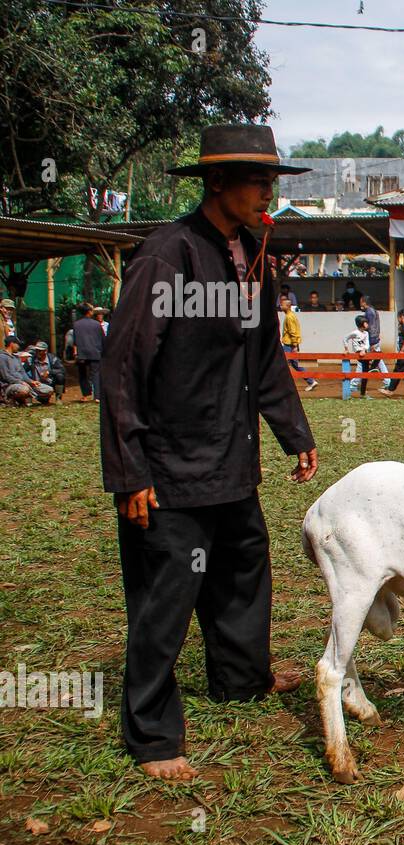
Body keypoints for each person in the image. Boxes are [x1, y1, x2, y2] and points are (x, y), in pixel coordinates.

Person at [99, 123, 318, 781]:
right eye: (257, 181)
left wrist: (294, 433)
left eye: (272, 181)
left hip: (231, 459)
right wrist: (129, 471)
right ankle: (154, 734)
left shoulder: (254, 256)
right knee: (165, 597)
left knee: (241, 573)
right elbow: (122, 369)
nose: (267, 194)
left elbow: (264, 358)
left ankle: (241, 678)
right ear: (216, 182)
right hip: (167, 470)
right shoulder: (166, 256)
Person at [280, 293, 317, 391]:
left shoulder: (289, 317)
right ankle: (311, 381)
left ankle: (282, 386)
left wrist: (295, 345)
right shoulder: (291, 315)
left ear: (287, 306)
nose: (280, 306)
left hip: (289, 345)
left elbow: (293, 332)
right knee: (295, 364)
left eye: (282, 305)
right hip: (291, 344)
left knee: (282, 365)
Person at [72, 301, 105, 402]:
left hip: (82, 353)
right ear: (89, 312)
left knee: (82, 374)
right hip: (95, 352)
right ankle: (97, 397)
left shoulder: (76, 324)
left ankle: (85, 395)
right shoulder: (97, 324)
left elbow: (75, 340)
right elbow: (103, 338)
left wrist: (75, 352)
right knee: (95, 374)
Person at [1, 335, 38, 405]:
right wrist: (20, 382)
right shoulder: (2, 357)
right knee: (24, 390)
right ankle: (11, 400)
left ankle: (23, 399)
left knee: (47, 390)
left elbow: (23, 373)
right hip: (9, 386)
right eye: (17, 344)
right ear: (12, 344)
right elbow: (6, 376)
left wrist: (31, 381)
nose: (18, 346)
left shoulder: (16, 358)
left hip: (21, 383)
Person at [343, 315, 371, 399]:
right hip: (359, 353)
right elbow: (345, 338)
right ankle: (354, 388)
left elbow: (367, 344)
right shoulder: (355, 333)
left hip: (365, 353)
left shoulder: (366, 333)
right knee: (363, 372)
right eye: (365, 323)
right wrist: (346, 349)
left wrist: (364, 349)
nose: (367, 324)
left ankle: (362, 393)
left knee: (365, 374)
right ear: (361, 324)